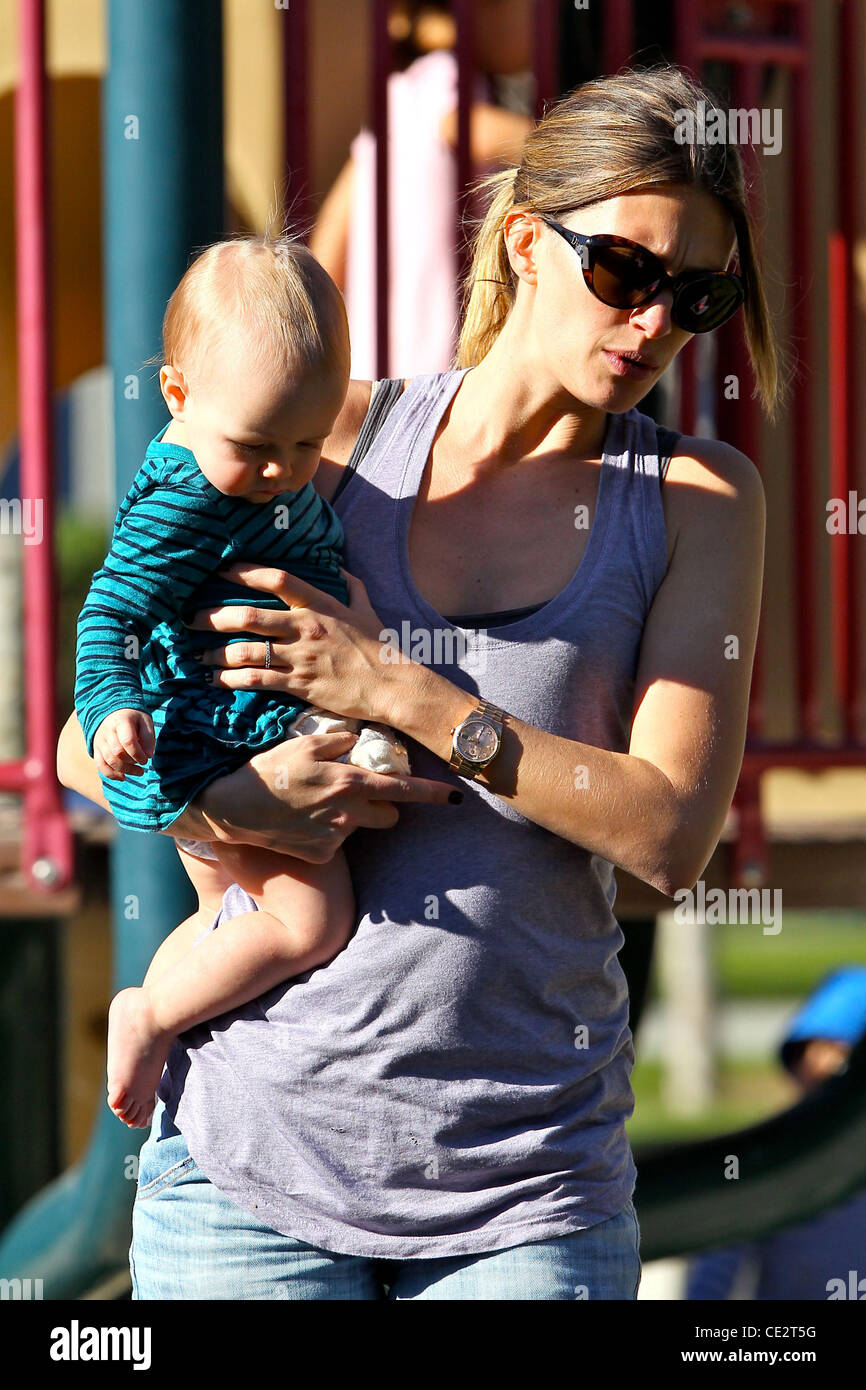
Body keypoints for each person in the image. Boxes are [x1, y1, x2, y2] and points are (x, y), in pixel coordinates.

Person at [58, 62, 781, 1300]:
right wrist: (233, 797)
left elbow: (669, 836)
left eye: (694, 293)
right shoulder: (318, 435)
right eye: (624, 270)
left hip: (526, 1197)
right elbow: (83, 745)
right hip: (250, 1175)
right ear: (525, 242)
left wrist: (407, 697)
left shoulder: (696, 501)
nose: (652, 320)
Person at [74, 237, 412, 1131]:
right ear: (179, 397)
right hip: (209, 731)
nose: (284, 470)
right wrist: (113, 711)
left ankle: (178, 1019)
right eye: (258, 445)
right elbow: (108, 614)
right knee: (306, 922)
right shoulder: (184, 501)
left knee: (241, 908)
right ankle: (150, 1011)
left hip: (250, 716)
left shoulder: (250, 464)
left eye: (308, 442)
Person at [310, 0, 534, 378]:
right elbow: (466, 127)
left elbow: (330, 243)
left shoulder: (397, 98)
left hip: (373, 360)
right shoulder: (444, 72)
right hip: (435, 357)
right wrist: (574, 144)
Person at [685, 967, 866, 1300]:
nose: (823, 1065)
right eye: (812, 1053)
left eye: (842, 1059)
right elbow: (720, 1253)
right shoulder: (770, 1153)